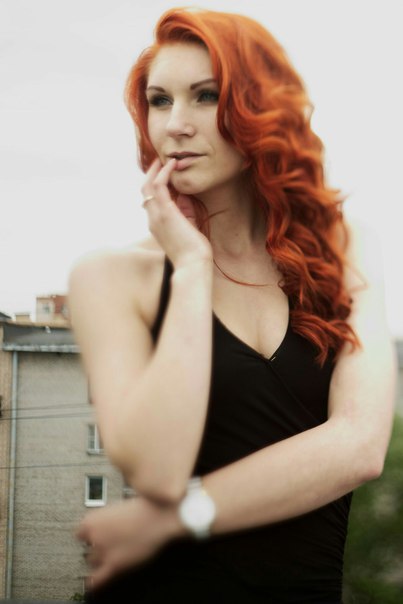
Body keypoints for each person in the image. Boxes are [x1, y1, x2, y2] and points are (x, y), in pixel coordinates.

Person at [68, 7, 396, 603]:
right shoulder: (111, 278)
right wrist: (192, 269)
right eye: (159, 101)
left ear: (261, 106)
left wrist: (174, 519)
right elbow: (159, 470)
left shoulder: (345, 249)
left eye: (206, 96)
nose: (175, 125)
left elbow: (359, 445)